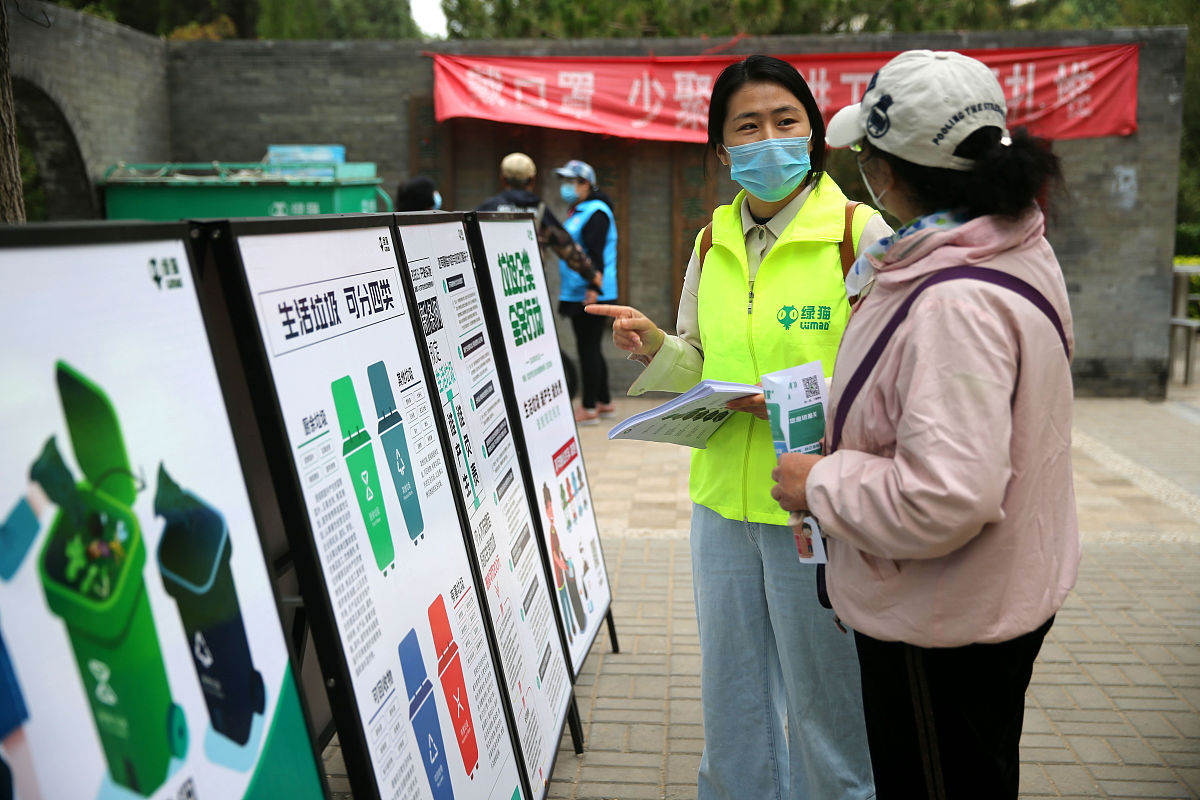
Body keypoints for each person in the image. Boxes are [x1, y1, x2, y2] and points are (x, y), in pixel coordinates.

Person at [769, 50, 1079, 800]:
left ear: (894, 173)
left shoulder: (953, 301)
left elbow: (947, 495)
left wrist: (822, 483)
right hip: (991, 597)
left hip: (941, 624)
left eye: (867, 156)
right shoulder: (1014, 244)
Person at [586, 55, 888, 800]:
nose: (768, 140)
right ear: (722, 151)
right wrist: (658, 345)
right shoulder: (709, 242)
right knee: (735, 697)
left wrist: (796, 398)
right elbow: (701, 360)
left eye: (786, 122)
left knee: (827, 704)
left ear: (815, 135)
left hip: (818, 505)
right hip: (722, 501)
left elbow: (892, 376)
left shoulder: (860, 233)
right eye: (745, 128)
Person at [555, 159, 618, 426]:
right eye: (566, 181)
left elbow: (595, 255)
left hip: (589, 292)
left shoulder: (596, 212)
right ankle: (603, 401)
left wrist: (593, 287)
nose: (567, 187)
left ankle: (589, 406)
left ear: (587, 184)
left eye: (573, 181)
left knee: (588, 349)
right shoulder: (580, 210)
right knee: (592, 348)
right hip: (579, 290)